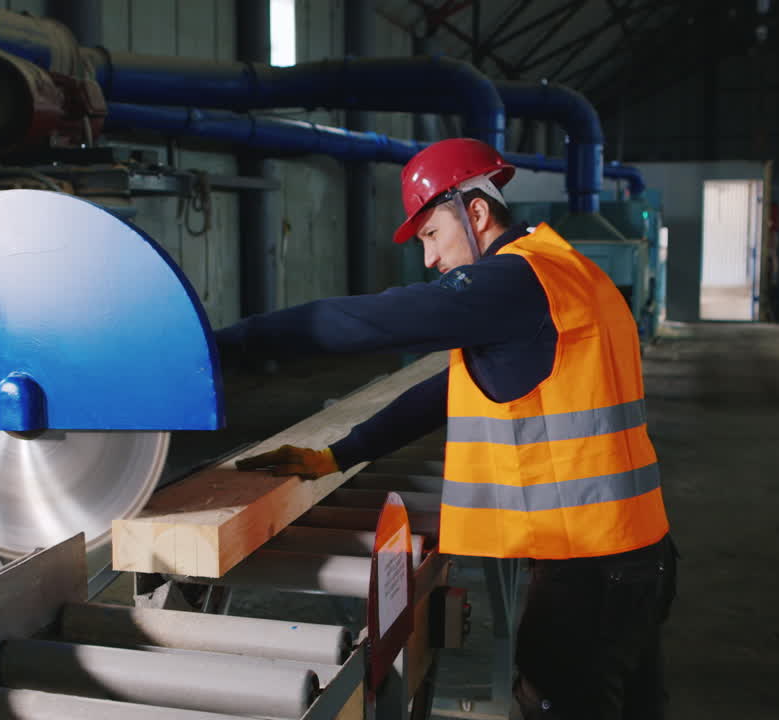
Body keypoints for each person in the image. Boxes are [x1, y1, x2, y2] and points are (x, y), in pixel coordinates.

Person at [216, 138, 676, 719]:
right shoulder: (566, 271)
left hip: (589, 569)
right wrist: (341, 454)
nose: (430, 258)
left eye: (432, 233)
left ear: (476, 213)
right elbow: (448, 393)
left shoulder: (514, 281)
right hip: (639, 553)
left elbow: (368, 321)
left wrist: (222, 347)